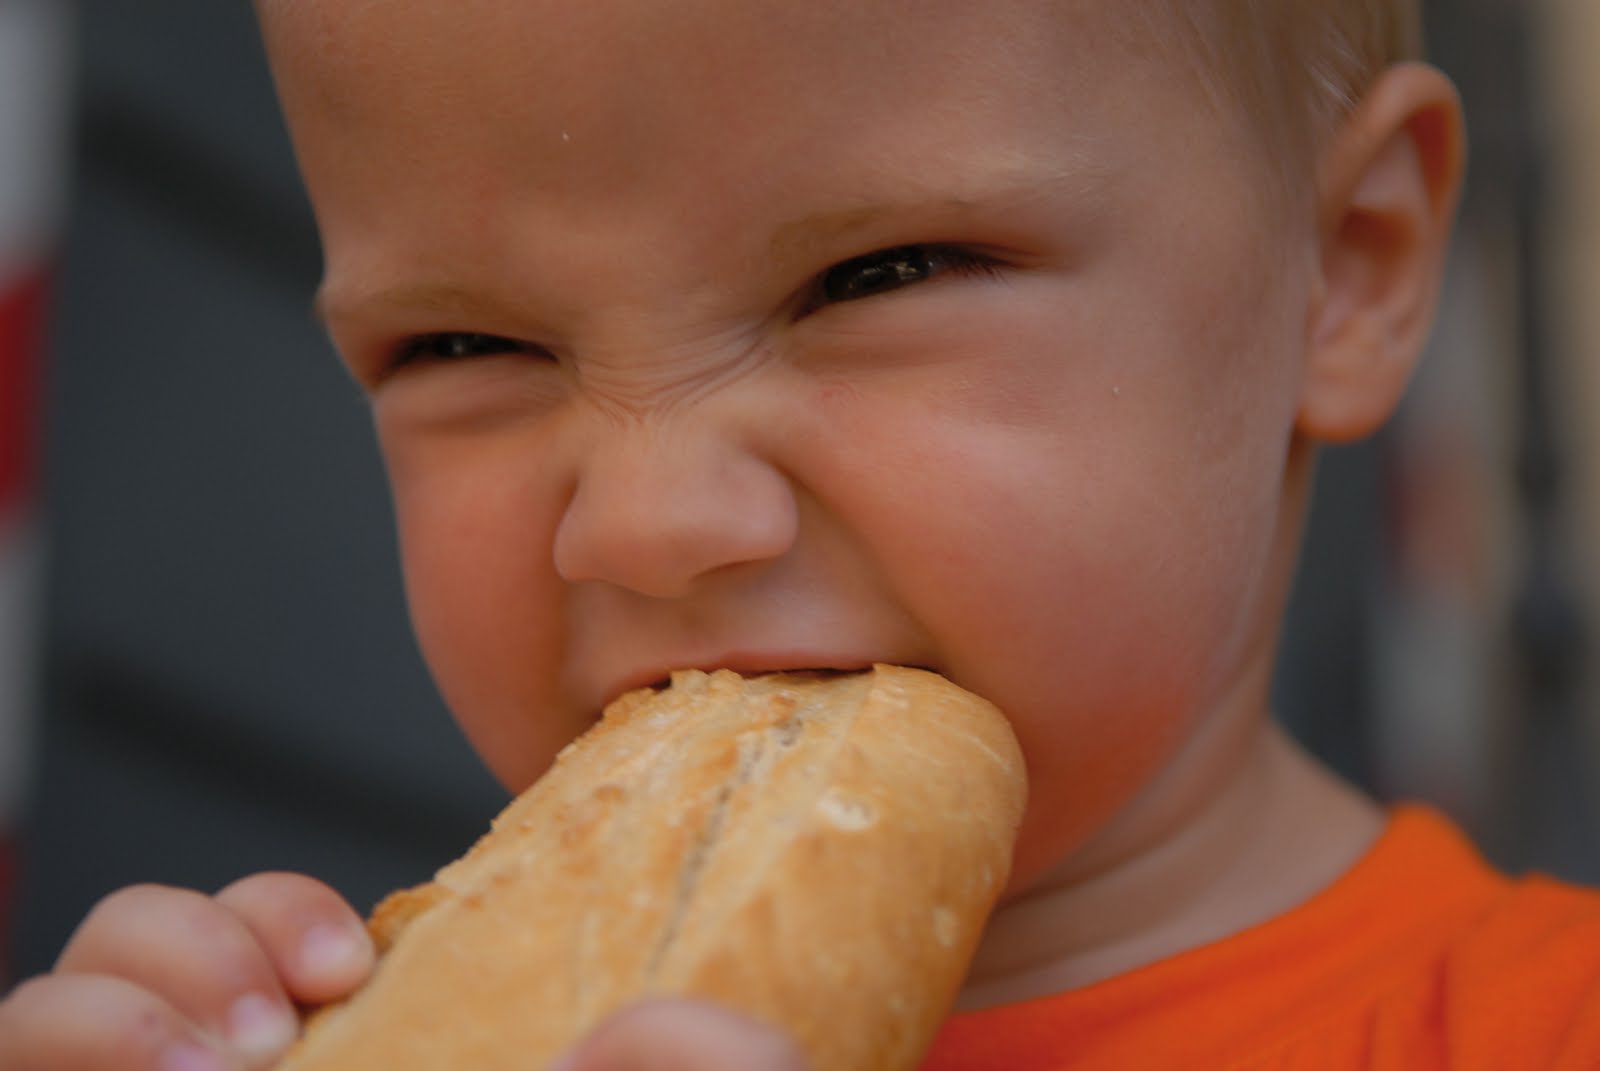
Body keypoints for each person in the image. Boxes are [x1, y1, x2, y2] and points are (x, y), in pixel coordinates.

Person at [5, 2, 1599, 1068]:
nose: (645, 523)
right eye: (462, 347)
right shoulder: (329, 1017)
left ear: (1349, 266)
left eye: (881, 274)